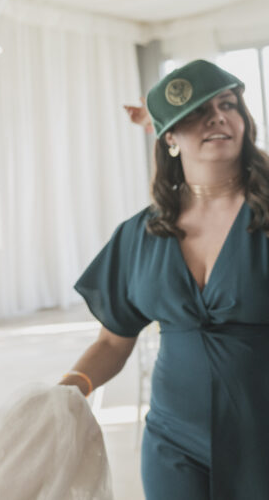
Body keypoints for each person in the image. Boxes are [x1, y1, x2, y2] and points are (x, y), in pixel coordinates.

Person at [61, 59, 269, 499]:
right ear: (169, 138)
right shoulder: (140, 234)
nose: (217, 116)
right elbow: (113, 342)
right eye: (196, 112)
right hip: (173, 442)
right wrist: (68, 390)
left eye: (228, 104)